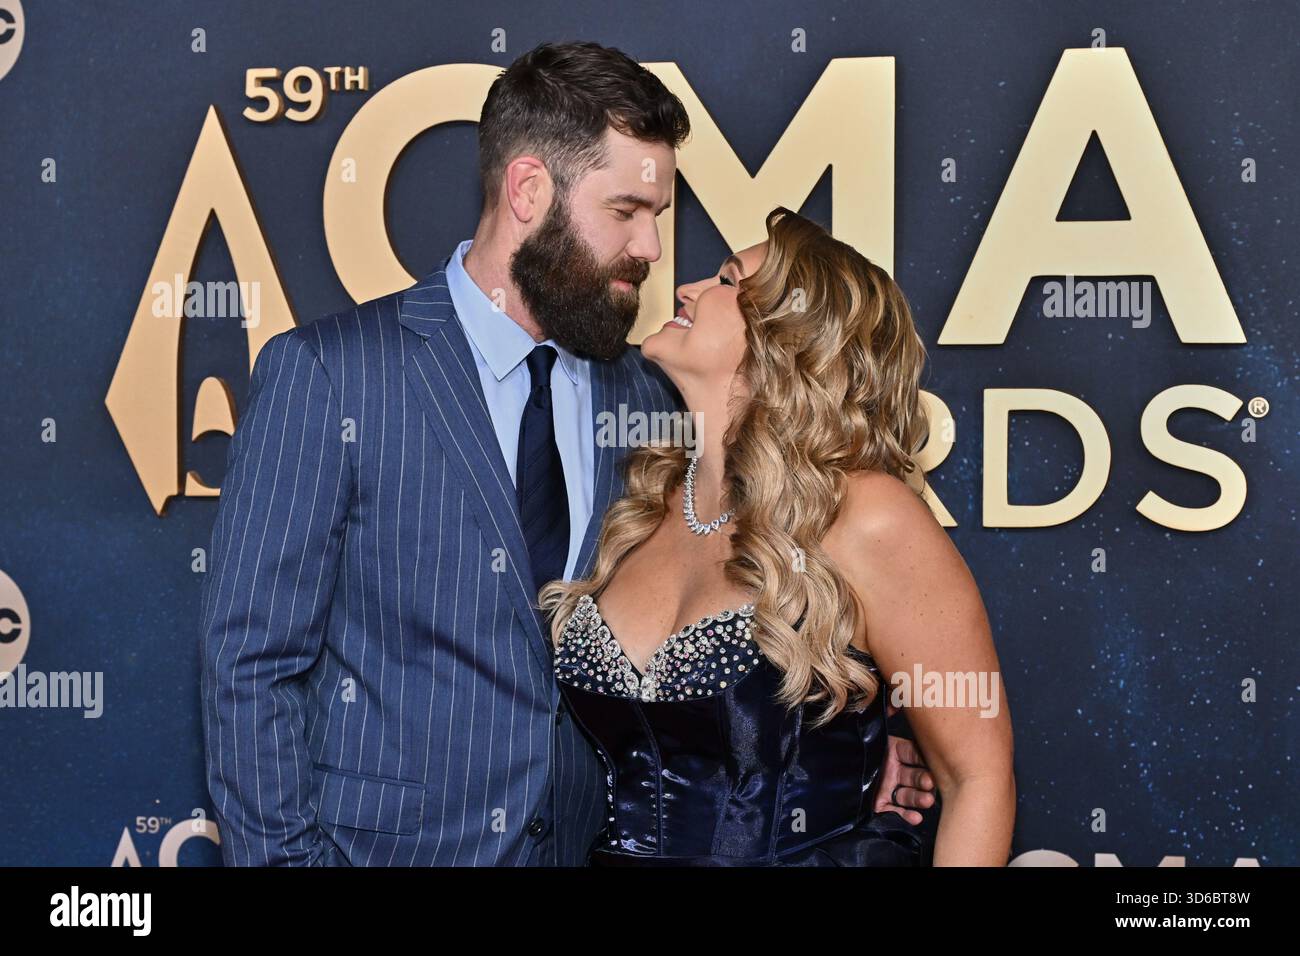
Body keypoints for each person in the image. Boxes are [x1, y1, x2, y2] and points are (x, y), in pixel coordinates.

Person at [199, 41, 936, 867]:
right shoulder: (333, 376)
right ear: (528, 191)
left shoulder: (655, 398)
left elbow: (797, 582)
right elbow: (251, 666)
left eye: (658, 216)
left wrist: (846, 756)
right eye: (627, 211)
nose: (652, 248)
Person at [540, 207, 1014, 866]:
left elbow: (978, 779)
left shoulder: (866, 516)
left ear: (789, 335)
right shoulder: (642, 504)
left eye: (727, 281)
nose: (687, 289)